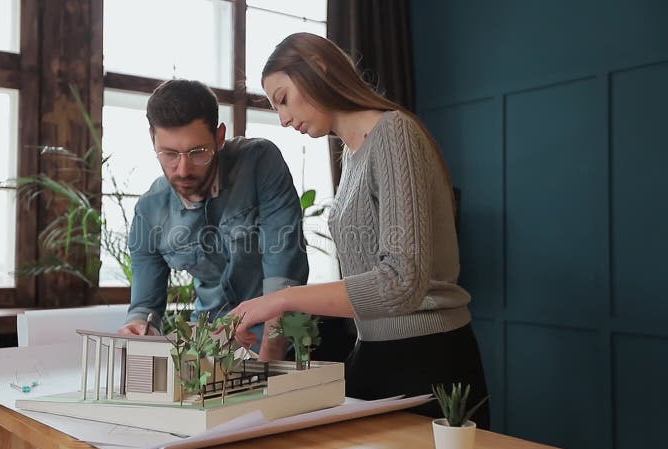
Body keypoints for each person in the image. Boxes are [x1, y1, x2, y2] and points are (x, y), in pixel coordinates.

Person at [227, 33, 490, 428]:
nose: (281, 118)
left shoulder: (394, 133)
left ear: (318, 68)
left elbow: (401, 283)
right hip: (375, 356)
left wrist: (281, 300)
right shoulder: (351, 157)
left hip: (429, 362)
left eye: (282, 98)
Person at [117, 79, 309, 361]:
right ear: (153, 142)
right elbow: (145, 309)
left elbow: (284, 278)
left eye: (197, 152)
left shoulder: (259, 163)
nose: (183, 170)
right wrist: (137, 328)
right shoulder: (148, 212)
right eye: (169, 154)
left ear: (220, 137)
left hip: (281, 346)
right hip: (209, 350)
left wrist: (268, 368)